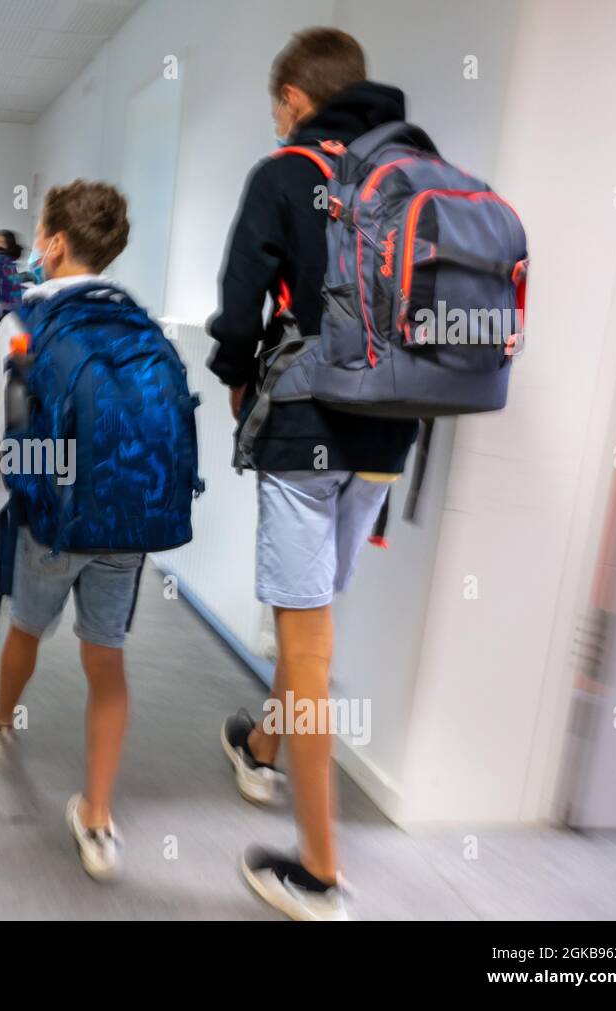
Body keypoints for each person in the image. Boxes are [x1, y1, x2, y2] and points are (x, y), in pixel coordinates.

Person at [208, 28, 419, 920]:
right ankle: (262, 746)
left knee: (306, 643)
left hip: (305, 430)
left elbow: (238, 303)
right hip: (389, 435)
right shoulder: (407, 175)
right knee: (315, 617)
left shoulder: (285, 171)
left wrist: (235, 376)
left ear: (295, 97)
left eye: (275, 105)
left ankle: (322, 873)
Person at [0, 181, 143, 882]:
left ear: (57, 243)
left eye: (40, 232)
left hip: (53, 520)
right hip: (128, 520)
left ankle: (1, 715)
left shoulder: (25, 320)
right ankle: (98, 820)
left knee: (27, 628)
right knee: (108, 659)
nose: (34, 243)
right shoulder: (137, 320)